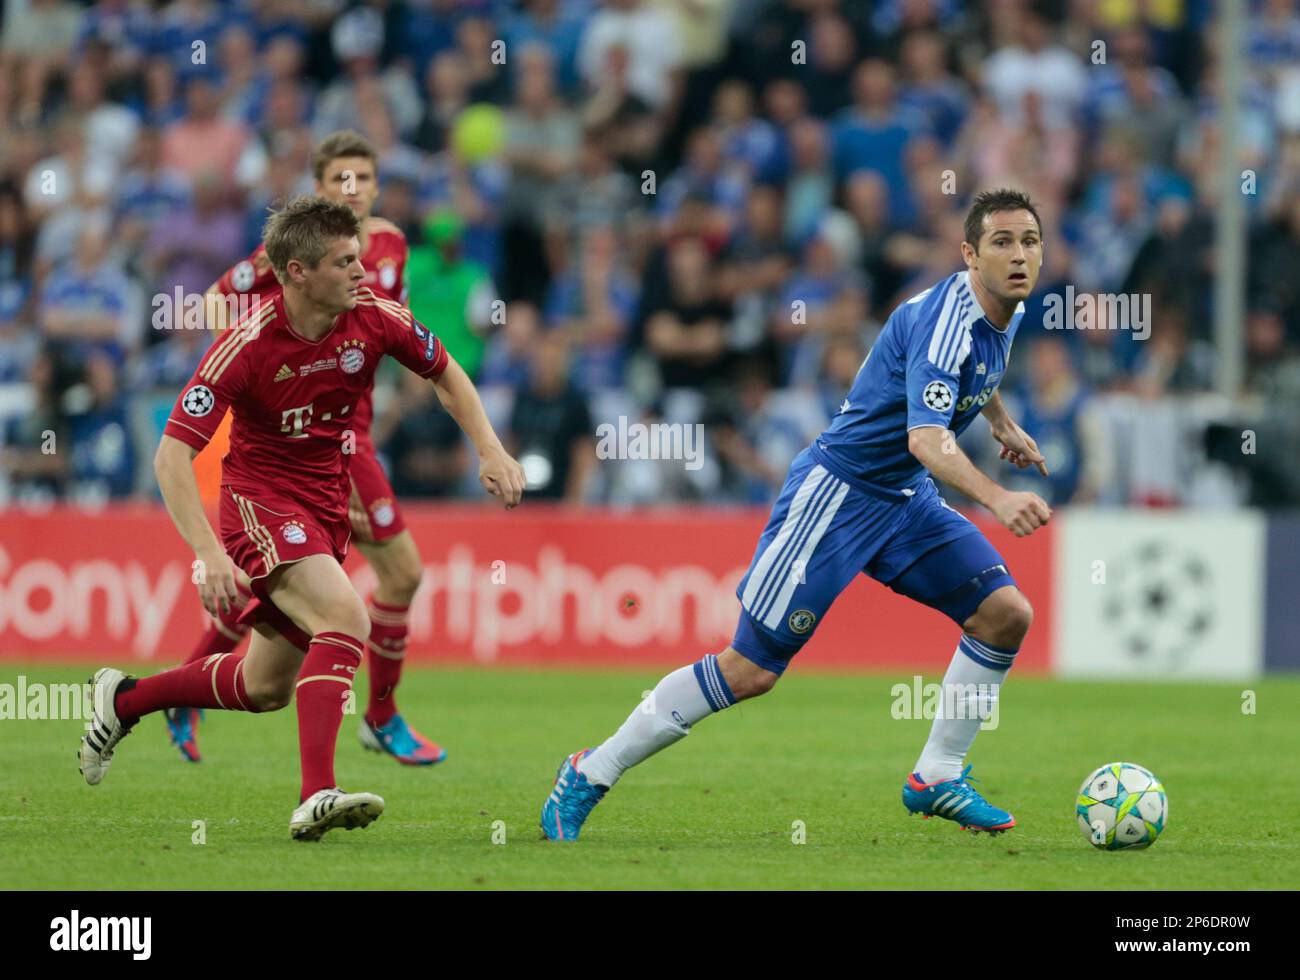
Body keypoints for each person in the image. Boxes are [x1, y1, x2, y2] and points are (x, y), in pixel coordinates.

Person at [541, 188, 1051, 840]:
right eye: (1002, 242)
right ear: (969, 255)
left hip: (904, 499)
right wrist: (999, 496)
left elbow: (971, 375)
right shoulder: (947, 321)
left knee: (1005, 614)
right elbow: (924, 438)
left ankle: (938, 774)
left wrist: (1001, 422)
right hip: (838, 498)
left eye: (1028, 241)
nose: (1017, 255)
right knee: (749, 669)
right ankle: (589, 771)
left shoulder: (1001, 309)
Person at [80, 196, 525, 840]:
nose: (361, 273)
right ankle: (317, 794)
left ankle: (125, 700)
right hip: (259, 503)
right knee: (347, 617)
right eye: (345, 262)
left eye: (360, 259)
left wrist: (489, 446)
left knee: (264, 687)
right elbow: (172, 455)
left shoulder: (374, 319)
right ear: (297, 272)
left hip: (324, 505)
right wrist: (208, 553)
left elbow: (445, 370)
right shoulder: (248, 344)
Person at [169, 131, 445, 768]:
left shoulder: (393, 246)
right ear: (319, 189)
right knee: (397, 574)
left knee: (307, 588)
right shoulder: (299, 256)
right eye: (339, 180)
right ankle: (379, 718)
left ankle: (188, 681)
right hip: (313, 440)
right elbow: (214, 301)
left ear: (377, 185)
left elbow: (388, 327)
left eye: (363, 179)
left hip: (357, 428)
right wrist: (259, 374)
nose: (352, 190)